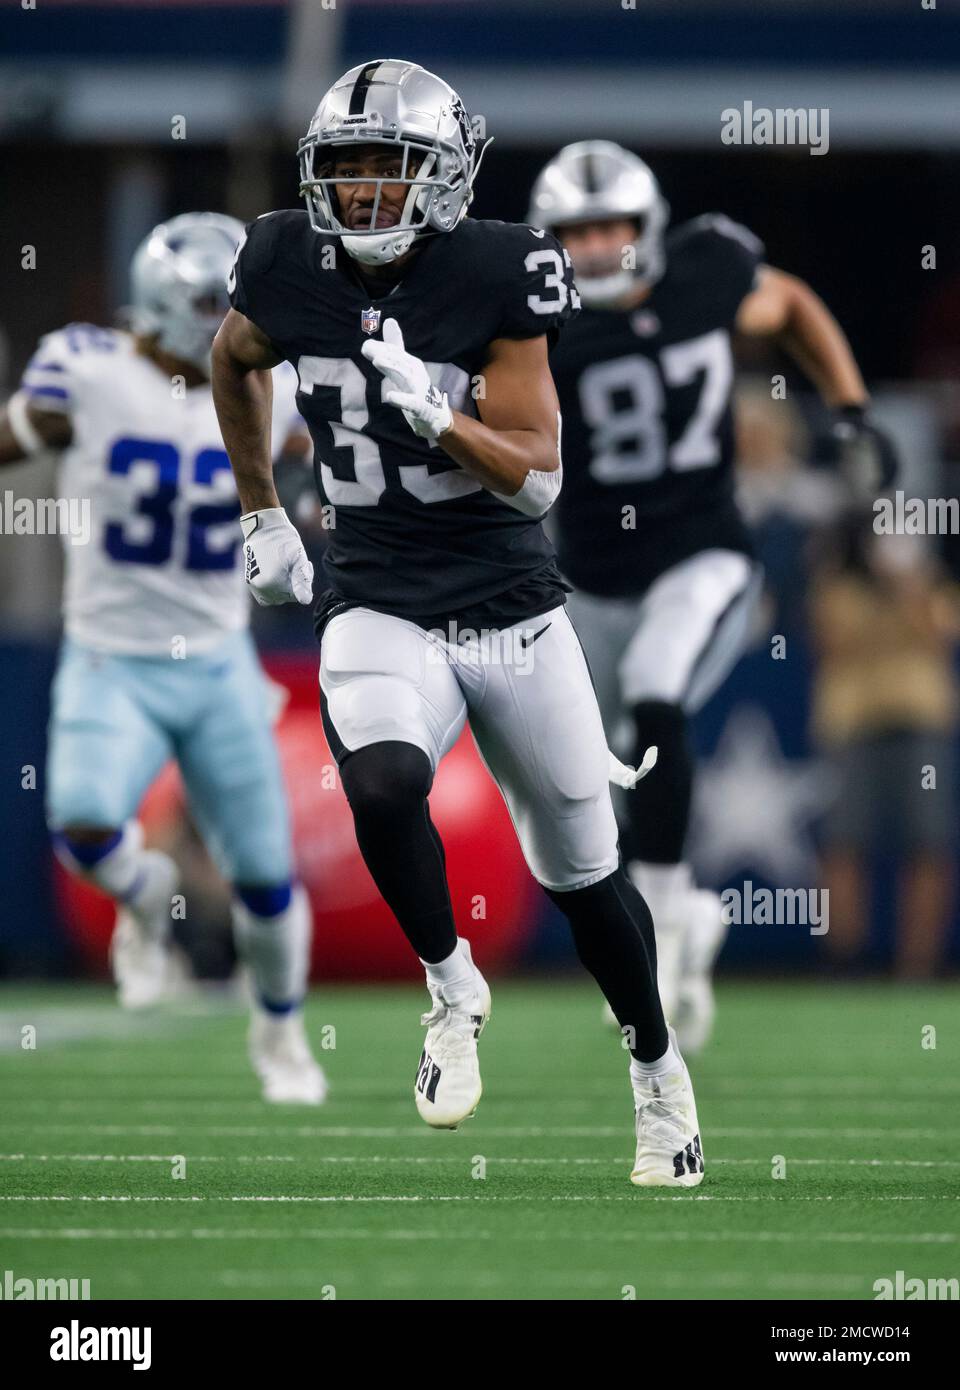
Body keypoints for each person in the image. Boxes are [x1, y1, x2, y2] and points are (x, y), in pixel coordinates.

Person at [212, 59, 703, 1186]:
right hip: (377, 591)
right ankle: (450, 986)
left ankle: (657, 1073)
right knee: (381, 783)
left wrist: (439, 417)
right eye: (346, 168)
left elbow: (536, 479)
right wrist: (263, 513)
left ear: (443, 178)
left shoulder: (500, 267)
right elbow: (231, 357)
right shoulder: (285, 255)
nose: (367, 193)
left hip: (509, 607)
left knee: (586, 877)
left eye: (391, 169)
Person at [528, 140, 898, 1049]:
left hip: (704, 555)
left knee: (658, 691)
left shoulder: (707, 266)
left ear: (649, 226)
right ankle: (685, 913)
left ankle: (657, 922)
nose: (602, 246)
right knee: (590, 774)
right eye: (580, 232)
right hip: (587, 579)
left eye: (614, 225)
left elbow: (793, 303)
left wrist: (849, 410)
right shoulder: (537, 315)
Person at [0, 213, 326, 1104]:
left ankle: (283, 1032)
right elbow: (16, 434)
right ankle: (145, 900)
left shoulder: (279, 386)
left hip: (218, 660)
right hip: (112, 656)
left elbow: (334, 459)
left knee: (263, 876)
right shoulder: (91, 369)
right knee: (84, 828)